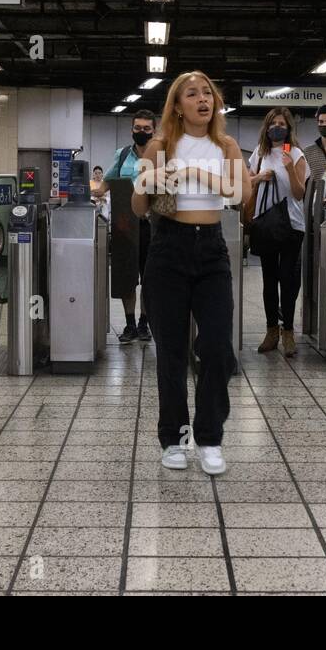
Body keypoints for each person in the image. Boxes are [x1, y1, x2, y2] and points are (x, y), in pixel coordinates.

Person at [133, 71, 249, 476]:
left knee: (218, 347)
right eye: (192, 94)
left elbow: (239, 195)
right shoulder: (161, 145)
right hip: (168, 248)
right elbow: (138, 209)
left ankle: (210, 435)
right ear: (177, 105)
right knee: (172, 351)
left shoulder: (226, 145)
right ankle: (174, 438)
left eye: (208, 93)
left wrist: (195, 173)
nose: (202, 99)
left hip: (212, 249)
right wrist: (145, 181)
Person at [92, 109, 157, 342]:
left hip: (152, 225)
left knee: (150, 278)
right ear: (132, 129)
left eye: (146, 129)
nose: (141, 132)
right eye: (137, 128)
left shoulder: (161, 155)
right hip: (125, 224)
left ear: (154, 131)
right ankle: (129, 324)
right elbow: (107, 183)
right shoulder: (122, 155)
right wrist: (84, 191)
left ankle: (144, 324)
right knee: (126, 276)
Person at [248, 107, 308, 356]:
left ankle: (289, 332)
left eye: (282, 124)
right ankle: (271, 330)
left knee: (289, 279)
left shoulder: (296, 154)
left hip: (292, 225)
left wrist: (291, 168)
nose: (277, 128)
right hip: (265, 225)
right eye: (273, 123)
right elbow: (246, 184)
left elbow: (299, 193)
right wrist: (258, 178)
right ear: (267, 127)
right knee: (269, 280)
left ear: (288, 128)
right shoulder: (259, 154)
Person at [303, 104, 326, 187]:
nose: (324, 125)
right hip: (314, 198)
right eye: (321, 122)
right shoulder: (307, 152)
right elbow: (303, 181)